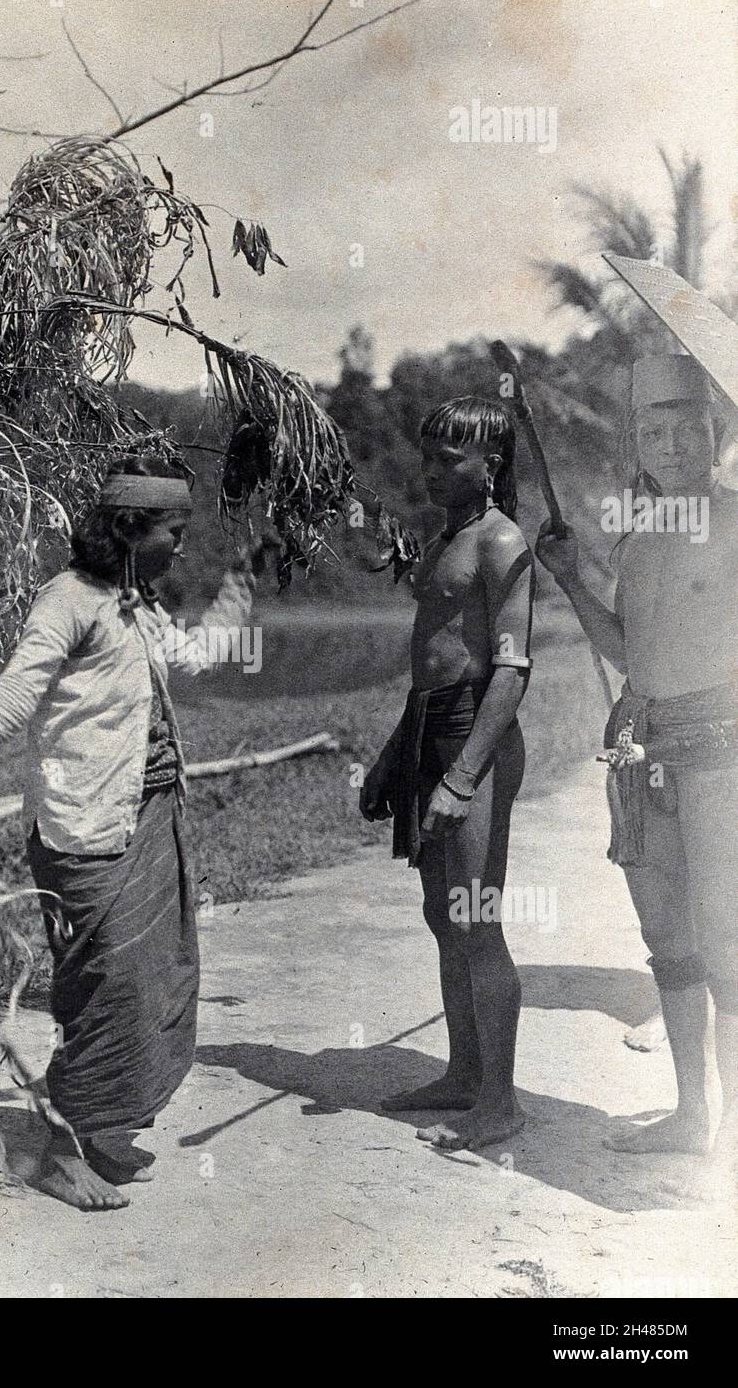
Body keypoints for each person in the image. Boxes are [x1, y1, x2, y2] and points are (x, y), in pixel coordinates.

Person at [0, 458, 268, 1211]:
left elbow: (191, 658)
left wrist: (244, 580)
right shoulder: (67, 603)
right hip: (83, 829)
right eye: (173, 533)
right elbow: (11, 697)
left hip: (149, 819)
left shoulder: (136, 604)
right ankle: (61, 1148)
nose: (181, 547)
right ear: (128, 529)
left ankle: (100, 1128)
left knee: (158, 979)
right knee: (103, 989)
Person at [537, 355, 737, 1175]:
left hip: (724, 746)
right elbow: (628, 651)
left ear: (716, 434)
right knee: (669, 941)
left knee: (729, 944)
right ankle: (693, 1115)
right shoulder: (639, 538)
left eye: (686, 428)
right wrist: (572, 578)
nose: (670, 446)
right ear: (637, 443)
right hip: (641, 743)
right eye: (652, 432)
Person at [360, 397, 535, 1152]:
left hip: (476, 736)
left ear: (490, 464)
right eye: (428, 457)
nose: (431, 471)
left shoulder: (502, 543)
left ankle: (500, 1100)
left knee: (475, 918)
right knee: (443, 917)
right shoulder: (447, 537)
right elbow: (430, 663)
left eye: (449, 460)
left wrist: (462, 777)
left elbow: (509, 672)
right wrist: (396, 754)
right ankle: (464, 1073)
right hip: (430, 728)